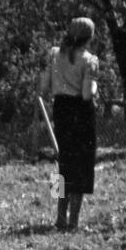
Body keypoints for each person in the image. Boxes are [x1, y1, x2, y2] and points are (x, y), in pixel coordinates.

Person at [39, 17, 99, 232]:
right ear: (90, 36)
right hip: (81, 112)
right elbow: (86, 93)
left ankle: (59, 217)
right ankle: (74, 221)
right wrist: (95, 88)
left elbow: (43, 86)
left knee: (62, 163)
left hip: (61, 111)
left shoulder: (54, 54)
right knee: (81, 166)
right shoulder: (89, 60)